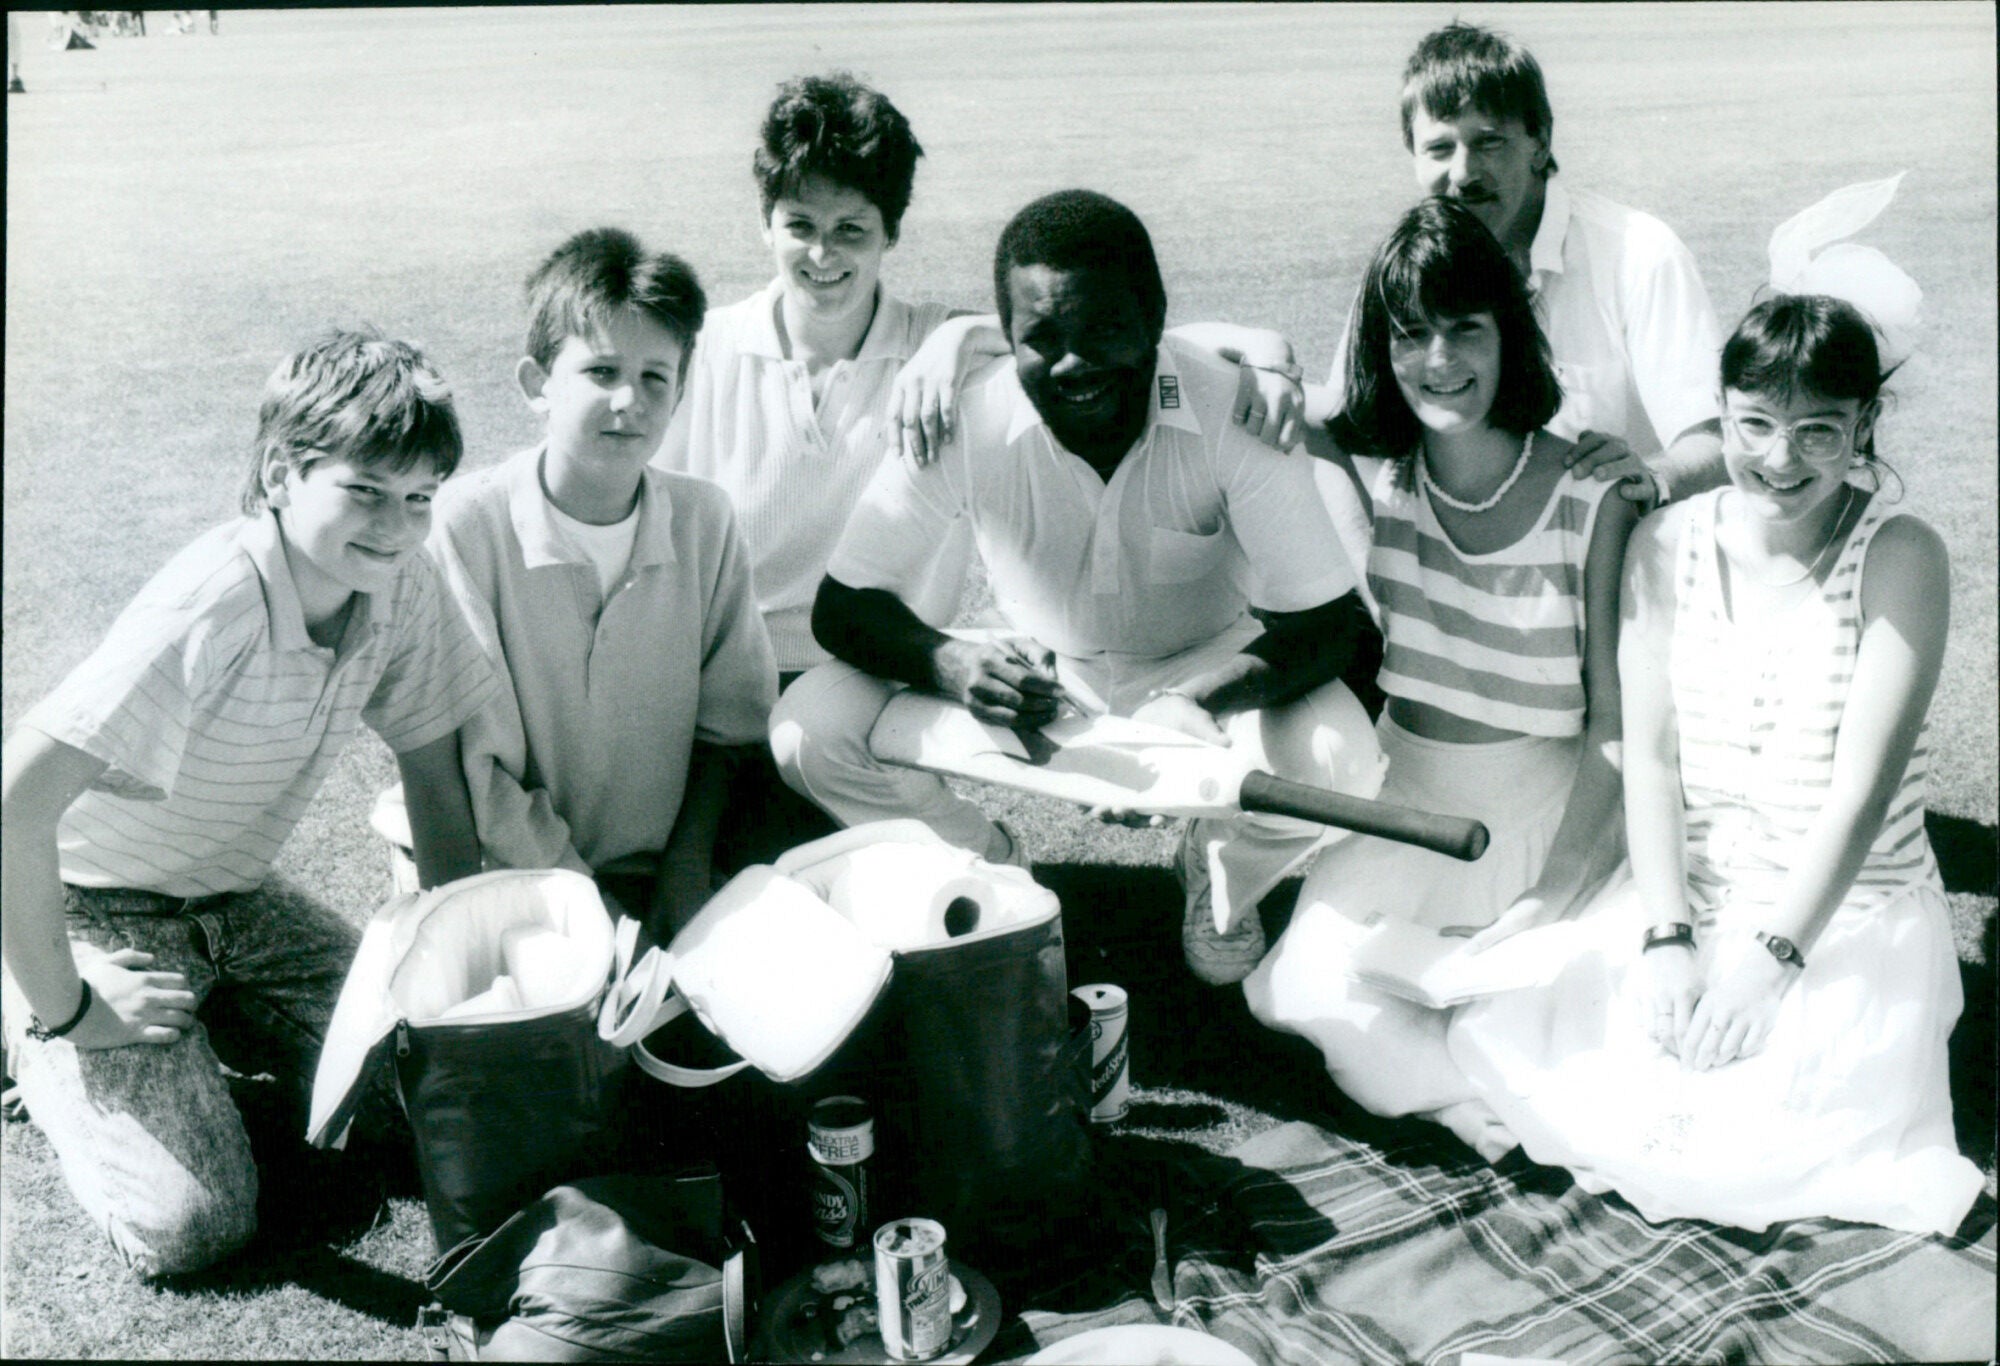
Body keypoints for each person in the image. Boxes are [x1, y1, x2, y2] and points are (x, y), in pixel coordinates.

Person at [1444, 275, 1982, 1235]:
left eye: (1820, 429)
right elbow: (1648, 760)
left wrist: (1770, 965)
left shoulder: (1903, 556)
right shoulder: (1662, 544)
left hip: (1845, 914)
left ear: (1865, 427)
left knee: (1748, 1154)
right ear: (1722, 416)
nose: (1781, 459)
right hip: (1689, 896)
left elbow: (1860, 794)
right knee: (1506, 1044)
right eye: (1754, 425)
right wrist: (1668, 940)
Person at [772, 189, 1384, 986]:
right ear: (1008, 340)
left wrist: (1193, 705)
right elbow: (843, 606)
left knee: (1340, 756)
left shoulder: (1235, 407)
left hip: (1208, 671)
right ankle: (987, 864)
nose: (1073, 363)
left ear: (1154, 318)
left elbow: (1334, 628)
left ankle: (1217, 867)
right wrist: (949, 662)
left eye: (1102, 329)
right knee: (808, 729)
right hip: (1045, 674)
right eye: (1043, 338)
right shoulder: (958, 411)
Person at [0, 330, 494, 1277]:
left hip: (236, 897)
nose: (395, 526)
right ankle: (24, 1015)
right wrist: (69, 1008)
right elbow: (14, 805)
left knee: (443, 1107)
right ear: (280, 471)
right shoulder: (209, 605)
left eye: (420, 499)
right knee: (194, 1227)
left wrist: (459, 987)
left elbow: (432, 772)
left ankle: (210, 1015)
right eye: (364, 490)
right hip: (92, 902)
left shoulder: (400, 582)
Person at [1244, 198, 1637, 1156]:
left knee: (1562, 1010)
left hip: (1558, 818)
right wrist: (1259, 357)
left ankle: (1488, 1091)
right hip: (1403, 806)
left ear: (1512, 333)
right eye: (1410, 332)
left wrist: (1555, 895)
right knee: (1309, 995)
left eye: (1466, 327)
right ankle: (1490, 1101)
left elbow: (1618, 735)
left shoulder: (1595, 493)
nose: (1438, 359)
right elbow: (1211, 359)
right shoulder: (1374, 478)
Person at [654, 71, 989, 866]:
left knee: (857, 864)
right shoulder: (708, 347)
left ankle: (989, 855)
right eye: (799, 224)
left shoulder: (942, 348)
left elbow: (1095, 332)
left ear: (891, 231)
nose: (822, 254)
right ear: (764, 224)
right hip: (729, 682)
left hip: (881, 665)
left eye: (852, 229)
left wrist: (961, 338)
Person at [431, 229, 777, 949]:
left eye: (657, 377)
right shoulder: (467, 528)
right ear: (536, 384)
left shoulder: (705, 521)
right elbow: (478, 770)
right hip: (522, 880)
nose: (630, 399)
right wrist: (594, 913)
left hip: (665, 874)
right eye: (601, 371)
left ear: (680, 392)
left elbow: (728, 728)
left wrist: (686, 870)